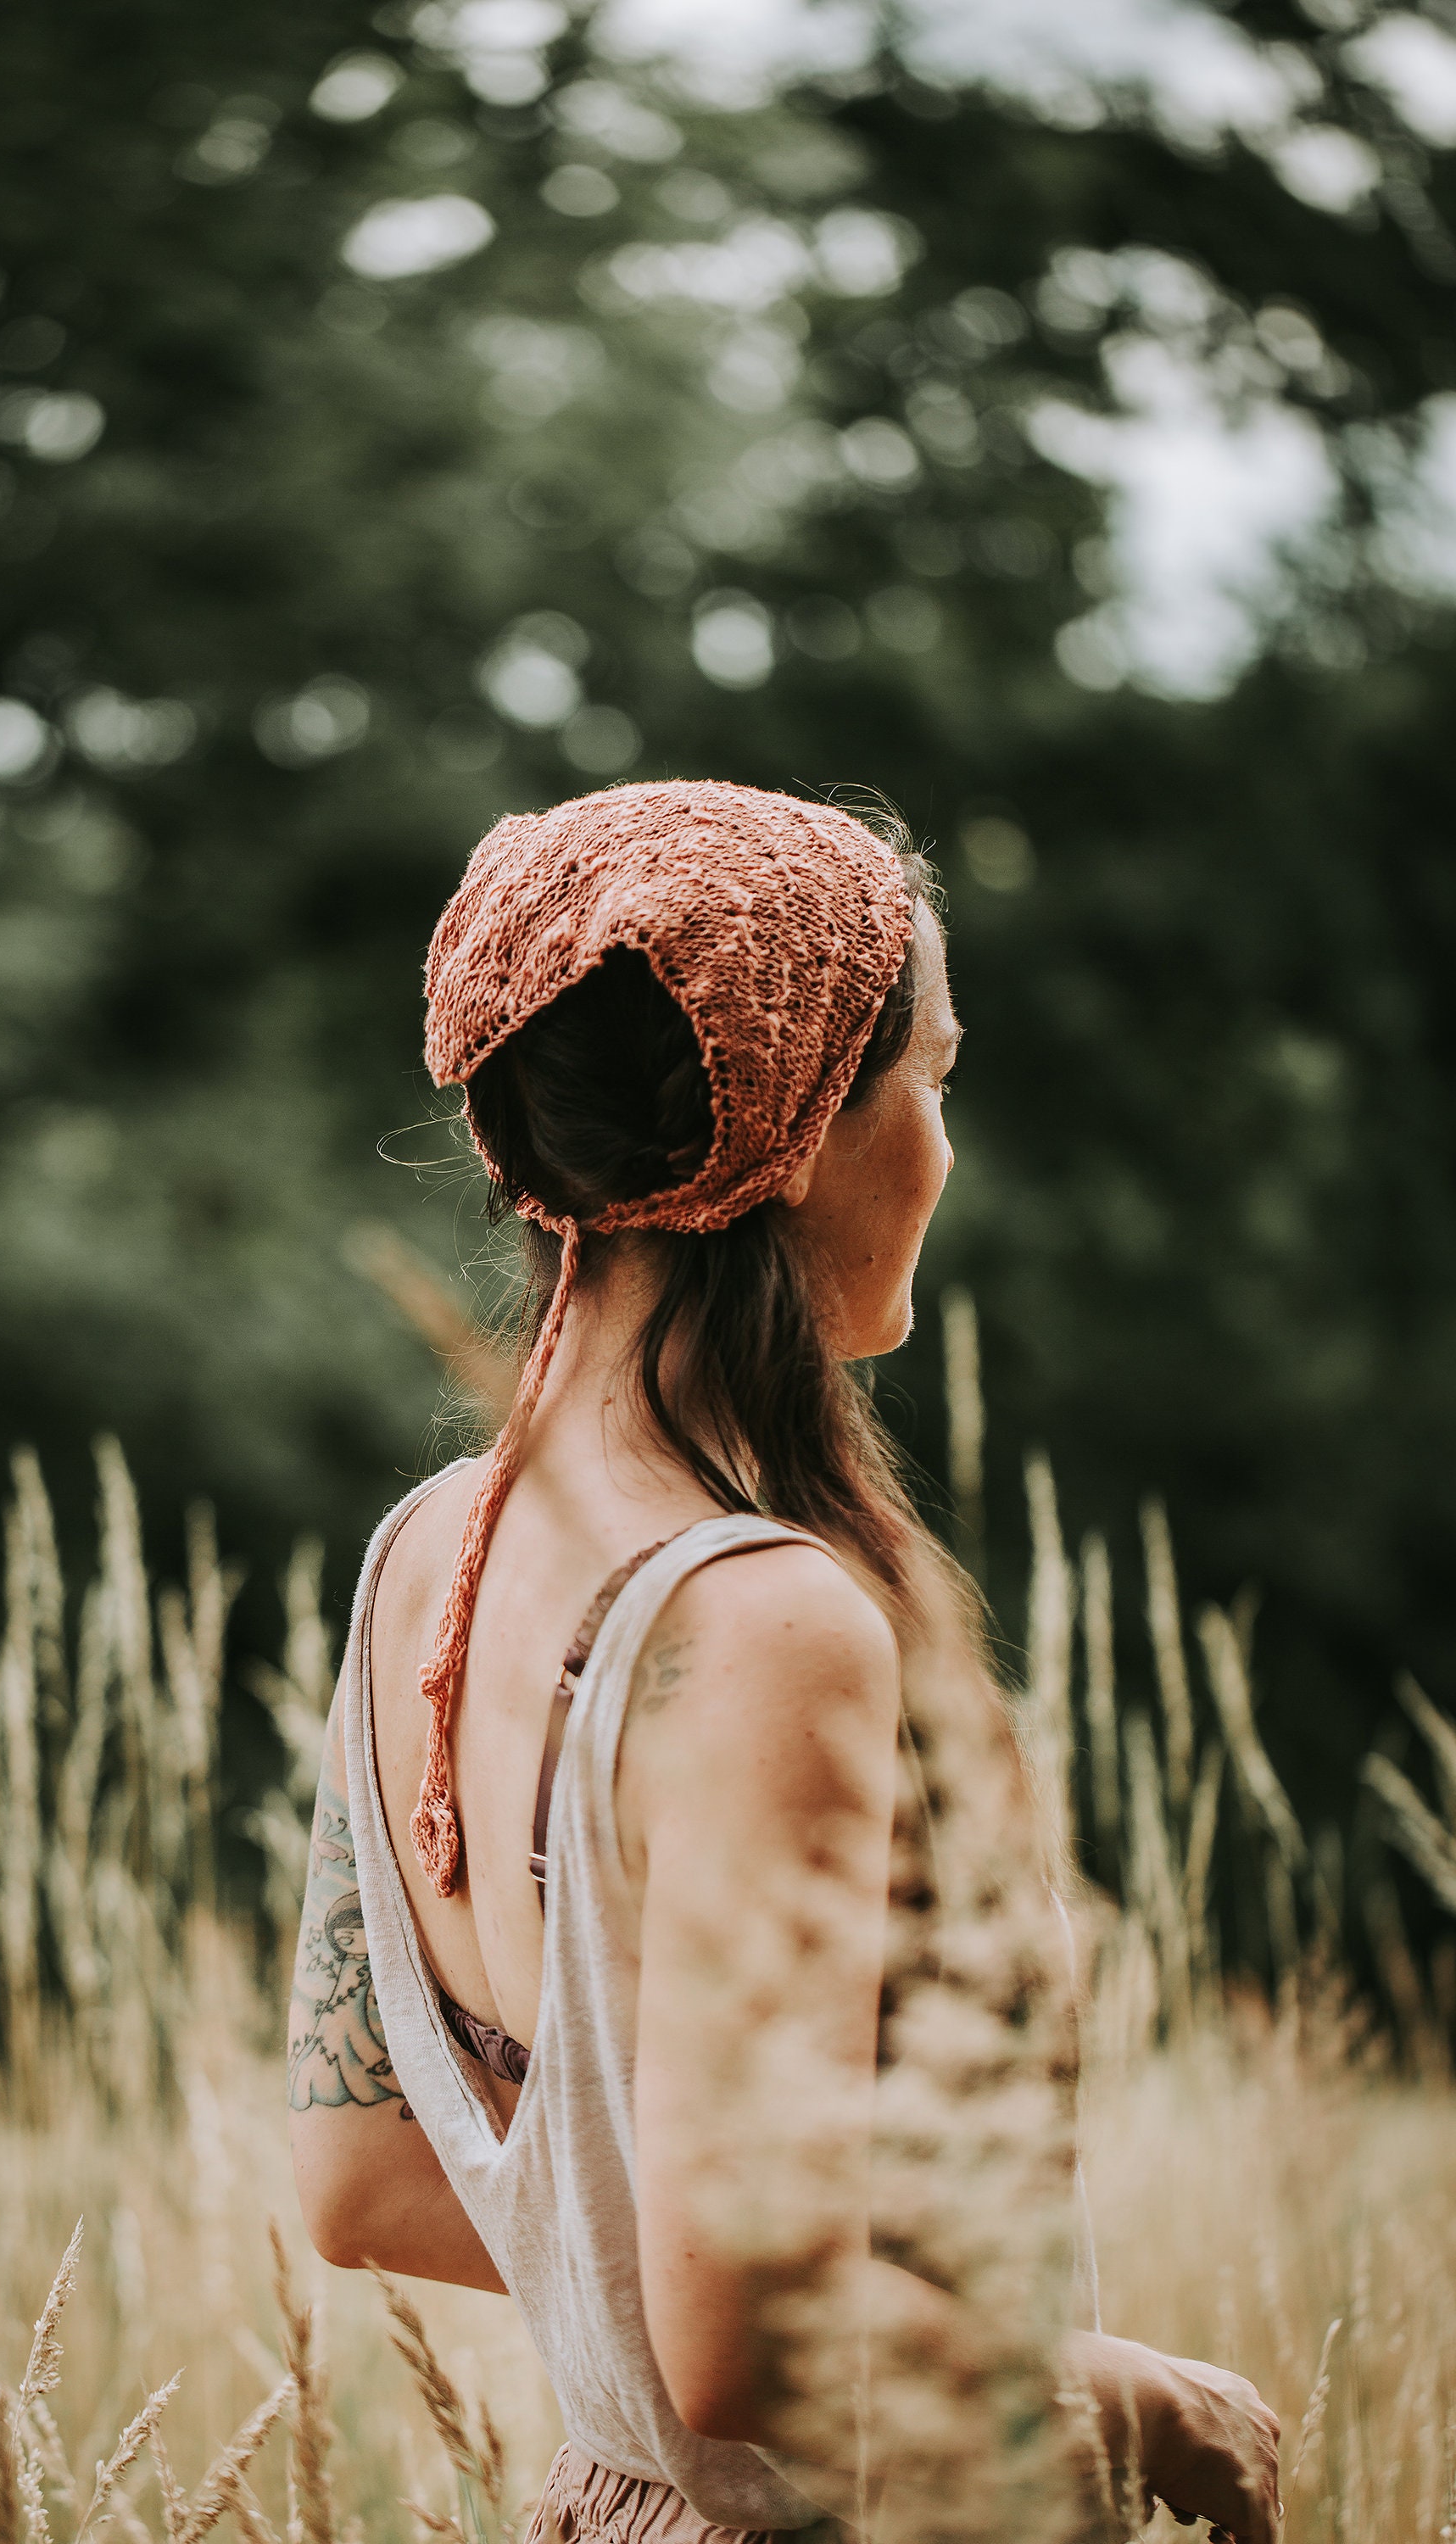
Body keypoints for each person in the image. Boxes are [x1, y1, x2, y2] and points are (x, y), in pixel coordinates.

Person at [288, 780, 1281, 2544]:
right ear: (809, 1119)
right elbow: (745, 2350)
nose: (948, 1147)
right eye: (936, 1080)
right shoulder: (760, 1621)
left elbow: (363, 2182)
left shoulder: (425, 1551)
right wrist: (1139, 2402)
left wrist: (650, 2317)